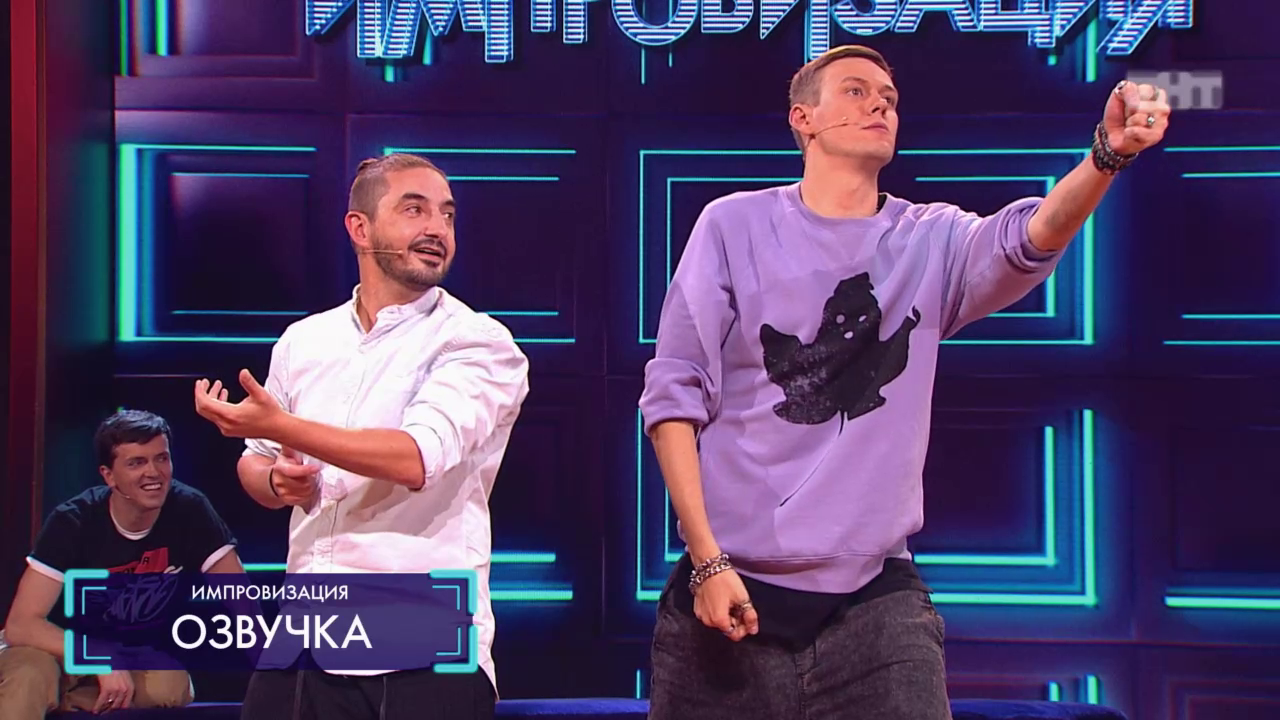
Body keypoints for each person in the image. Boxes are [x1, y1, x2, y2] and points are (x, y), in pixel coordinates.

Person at [638, 45, 1170, 719]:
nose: (880, 104)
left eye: (888, 97)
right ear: (803, 118)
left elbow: (1031, 239)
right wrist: (707, 562)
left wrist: (1106, 155)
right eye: (856, 91)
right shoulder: (732, 223)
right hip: (726, 586)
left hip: (874, 603)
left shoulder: (930, 237)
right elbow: (675, 395)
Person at [192, 152, 530, 720]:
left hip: (424, 635)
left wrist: (280, 426)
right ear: (360, 227)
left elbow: (415, 457)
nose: (437, 229)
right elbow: (255, 464)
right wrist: (276, 480)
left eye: (447, 215)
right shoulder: (304, 341)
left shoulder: (476, 342)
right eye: (414, 210)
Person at [0, 409, 243, 718]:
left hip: (126, 653)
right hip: (50, 650)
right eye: (136, 463)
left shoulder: (189, 509)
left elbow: (241, 600)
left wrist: (275, 666)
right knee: (29, 678)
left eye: (161, 458)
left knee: (169, 683)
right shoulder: (73, 521)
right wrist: (97, 658)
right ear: (109, 475)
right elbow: (21, 625)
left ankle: (60, 703)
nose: (153, 472)